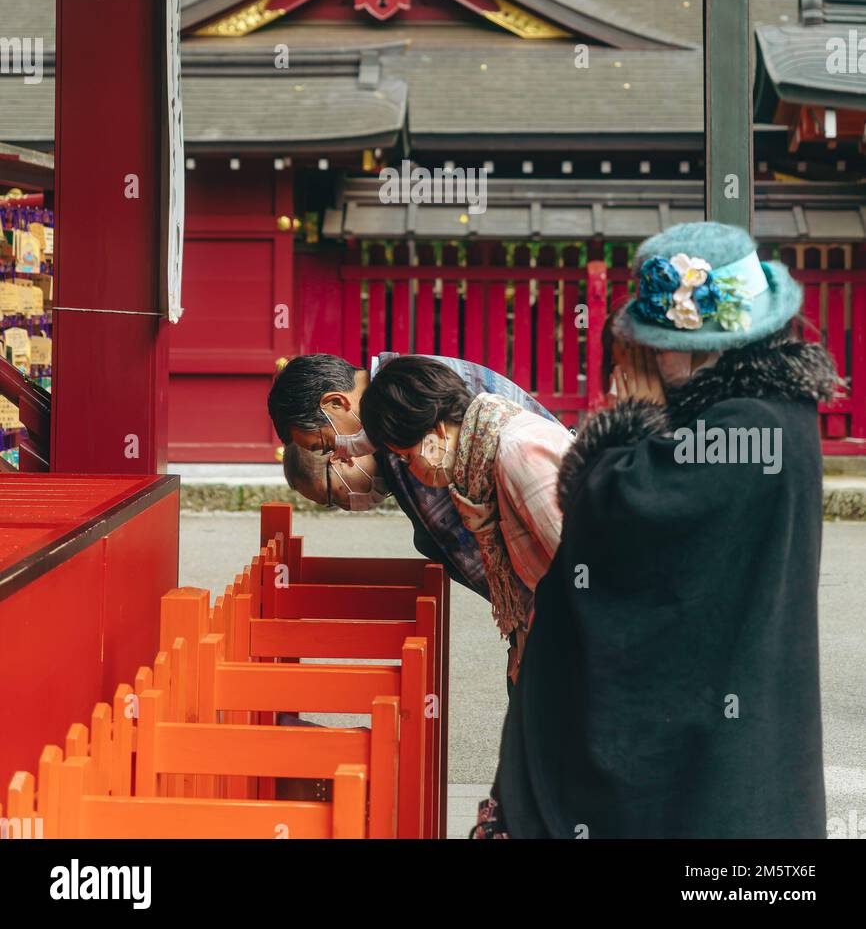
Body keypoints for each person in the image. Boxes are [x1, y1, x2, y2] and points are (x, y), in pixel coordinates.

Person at [479, 220, 837, 839]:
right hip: (733, 741)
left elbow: (615, 516)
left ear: (706, 346)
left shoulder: (746, 427)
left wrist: (630, 422)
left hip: (716, 760)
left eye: (659, 342)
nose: (649, 356)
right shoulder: (769, 411)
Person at [267, 351, 559, 598]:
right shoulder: (400, 394)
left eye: (328, 444)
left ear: (336, 403)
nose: (342, 454)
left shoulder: (410, 406)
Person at [359, 355, 574, 679]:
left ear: (436, 431)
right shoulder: (480, 469)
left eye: (406, 456)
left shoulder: (516, 451)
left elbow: (582, 567)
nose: (411, 470)